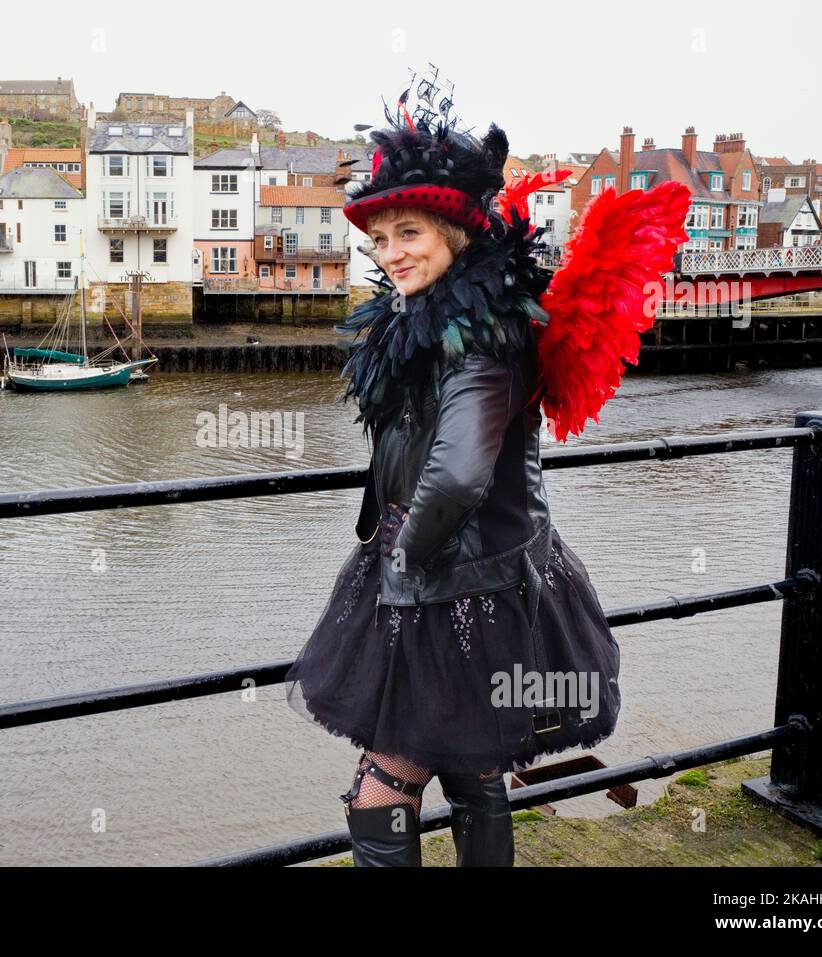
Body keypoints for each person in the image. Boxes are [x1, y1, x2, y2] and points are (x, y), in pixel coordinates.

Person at [283, 73, 670, 867]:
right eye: (380, 238)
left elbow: (457, 476)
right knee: (473, 768)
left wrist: (402, 558)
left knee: (380, 789)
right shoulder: (443, 317)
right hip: (487, 575)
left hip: (449, 580)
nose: (390, 254)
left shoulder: (480, 339)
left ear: (455, 236)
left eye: (409, 235)